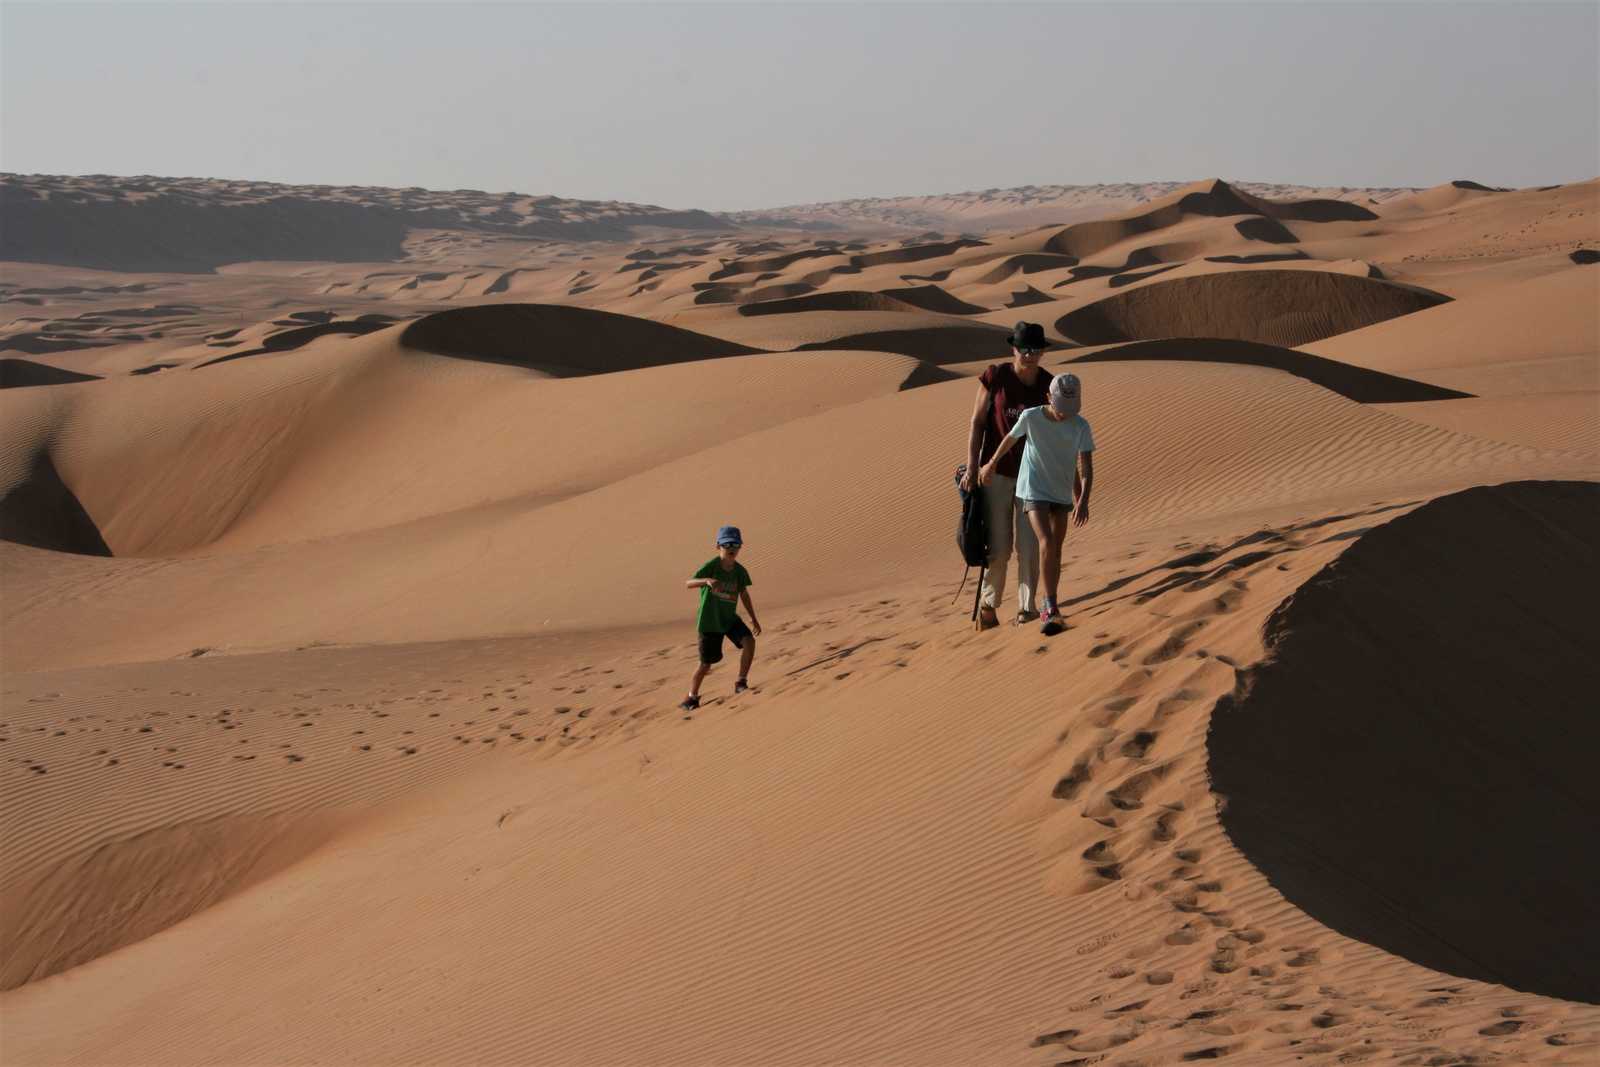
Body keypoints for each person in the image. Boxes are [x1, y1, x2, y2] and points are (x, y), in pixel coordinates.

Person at [978, 373, 1095, 636]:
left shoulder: (1081, 426)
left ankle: (1049, 598)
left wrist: (1083, 498)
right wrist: (991, 463)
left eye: (1070, 409)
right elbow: (1010, 438)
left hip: (1061, 493)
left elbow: (1086, 467)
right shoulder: (1031, 417)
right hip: (1033, 490)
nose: (1065, 414)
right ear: (1048, 399)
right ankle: (1049, 607)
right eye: (1060, 407)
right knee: (1046, 541)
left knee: (1056, 550)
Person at [960, 322, 1054, 629]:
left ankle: (1026, 610)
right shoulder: (995, 377)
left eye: (1036, 350)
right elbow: (976, 423)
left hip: (1033, 477)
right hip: (994, 474)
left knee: (1028, 546)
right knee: (999, 547)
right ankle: (989, 606)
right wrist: (973, 467)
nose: (1029, 355)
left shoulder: (1048, 386)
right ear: (1013, 349)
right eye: (1024, 349)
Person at [680, 525, 762, 712]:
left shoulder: (740, 571)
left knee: (749, 641)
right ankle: (692, 697)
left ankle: (741, 682)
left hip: (729, 619)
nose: (732, 548)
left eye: (736, 544)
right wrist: (706, 580)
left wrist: (753, 619)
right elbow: (688, 583)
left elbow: (744, 594)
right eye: (727, 545)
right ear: (718, 546)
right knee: (705, 665)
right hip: (709, 623)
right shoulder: (712, 566)